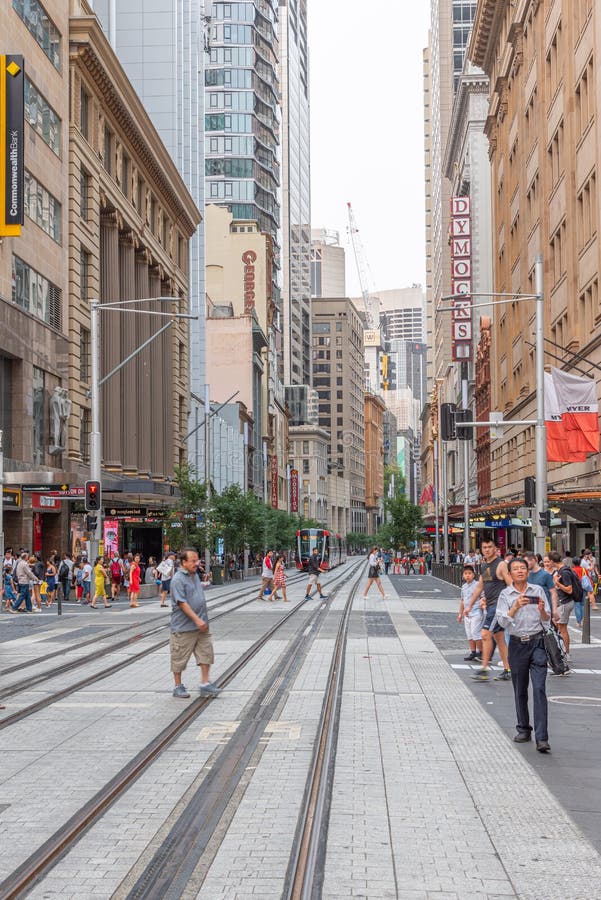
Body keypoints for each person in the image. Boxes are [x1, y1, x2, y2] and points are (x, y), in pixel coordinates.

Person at [496, 557, 552, 752]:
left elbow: (546, 620)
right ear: (510, 574)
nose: (520, 571)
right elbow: (502, 622)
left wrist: (543, 611)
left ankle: (542, 738)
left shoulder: (538, 591)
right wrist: (515, 606)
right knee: (520, 689)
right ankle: (523, 728)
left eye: (523, 568)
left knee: (539, 689)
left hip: (538, 643)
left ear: (528, 572)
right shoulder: (505, 594)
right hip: (517, 644)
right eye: (516, 568)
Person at [170, 548, 220, 699]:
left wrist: (201, 620)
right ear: (183, 562)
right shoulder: (177, 579)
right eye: (193, 561)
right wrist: (197, 620)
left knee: (206, 653)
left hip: (201, 626)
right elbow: (181, 603)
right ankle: (178, 686)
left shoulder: (195, 575)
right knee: (179, 658)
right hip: (184, 627)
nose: (197, 563)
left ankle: (205, 683)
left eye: (197, 560)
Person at [468, 539, 513, 682]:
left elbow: (511, 584)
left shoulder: (501, 564)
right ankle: (507, 669)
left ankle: (484, 669)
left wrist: (513, 604)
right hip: (490, 606)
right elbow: (480, 587)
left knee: (485, 634)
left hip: (498, 606)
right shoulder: (484, 565)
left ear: (495, 549)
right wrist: (469, 605)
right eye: (484, 547)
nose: (487, 550)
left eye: (490, 547)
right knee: (499, 638)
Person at [548, 550, 579, 662]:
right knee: (557, 626)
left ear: (552, 561)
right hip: (563, 602)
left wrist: (557, 583)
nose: (548, 563)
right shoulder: (562, 570)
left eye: (549, 561)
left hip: (565, 602)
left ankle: (566, 653)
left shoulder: (564, 572)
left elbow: (569, 589)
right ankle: (562, 651)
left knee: (562, 628)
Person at [458, 565, 484, 661]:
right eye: (465, 574)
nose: (467, 575)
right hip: (467, 614)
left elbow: (482, 597)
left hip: (476, 612)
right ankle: (473, 652)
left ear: (473, 575)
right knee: (469, 634)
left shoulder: (478, 585)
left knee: (475, 633)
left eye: (469, 573)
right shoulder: (464, 586)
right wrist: (460, 613)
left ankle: (482, 652)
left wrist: (483, 604)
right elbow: (462, 600)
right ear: (463, 575)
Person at [524, 552, 557, 621]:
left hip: (544, 609)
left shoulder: (545, 575)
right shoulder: (526, 575)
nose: (525, 565)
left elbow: (553, 592)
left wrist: (554, 610)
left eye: (526, 562)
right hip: (530, 610)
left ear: (534, 560)